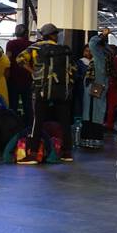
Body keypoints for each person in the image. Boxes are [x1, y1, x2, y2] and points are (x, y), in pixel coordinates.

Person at [16, 24, 76, 161]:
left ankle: (32, 154)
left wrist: (33, 72)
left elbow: (19, 59)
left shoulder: (35, 48)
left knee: (37, 121)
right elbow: (73, 68)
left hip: (41, 89)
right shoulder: (64, 49)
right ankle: (67, 153)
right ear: (54, 35)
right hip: (62, 90)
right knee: (65, 122)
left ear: (43, 35)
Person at [5, 25, 33, 120]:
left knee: (13, 105)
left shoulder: (11, 44)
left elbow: (8, 60)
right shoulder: (31, 44)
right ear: (26, 33)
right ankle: (29, 125)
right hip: (28, 78)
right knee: (28, 105)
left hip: (13, 78)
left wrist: (7, 76)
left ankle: (14, 125)